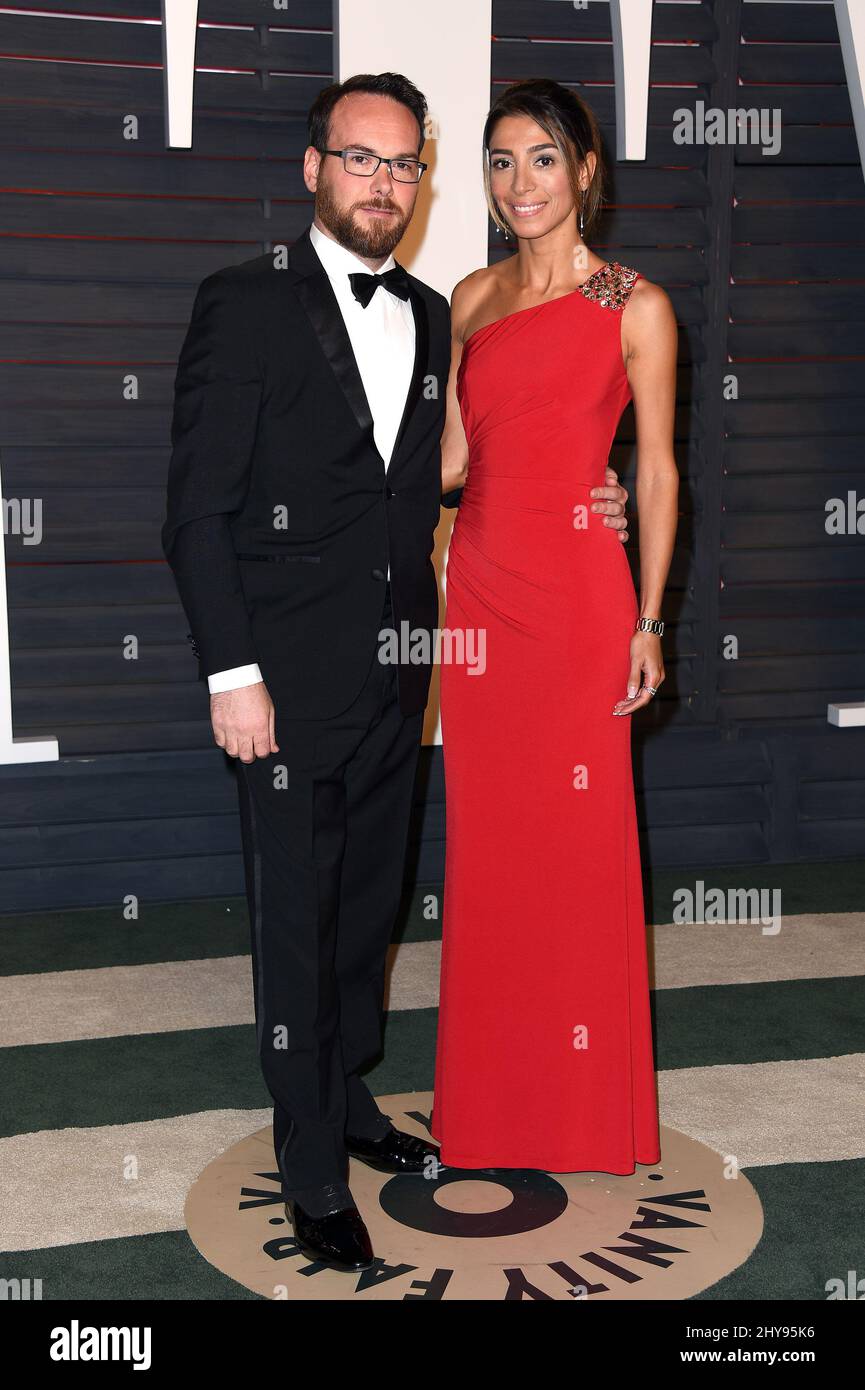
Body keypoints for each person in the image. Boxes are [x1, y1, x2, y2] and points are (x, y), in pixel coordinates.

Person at [163, 72, 630, 1272]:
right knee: (296, 919)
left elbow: (463, 468)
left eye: (402, 164)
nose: (382, 181)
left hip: (406, 663)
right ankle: (309, 1155)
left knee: (370, 902)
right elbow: (196, 515)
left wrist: (595, 494)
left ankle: (353, 1095)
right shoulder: (241, 303)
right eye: (359, 158)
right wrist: (232, 675)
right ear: (312, 168)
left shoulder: (436, 314)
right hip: (277, 680)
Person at [431, 78, 678, 1175]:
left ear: (584, 172)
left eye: (540, 158)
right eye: (498, 160)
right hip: (479, 598)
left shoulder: (633, 301)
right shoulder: (470, 296)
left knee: (578, 857)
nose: (518, 181)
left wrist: (651, 618)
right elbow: (445, 462)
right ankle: (490, 1110)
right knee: (489, 855)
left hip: (581, 604)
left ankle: (584, 1113)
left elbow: (659, 471)